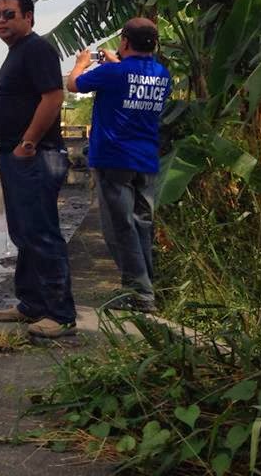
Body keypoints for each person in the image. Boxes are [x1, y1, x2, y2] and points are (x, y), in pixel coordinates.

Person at [67, 17, 171, 312]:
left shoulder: (112, 73)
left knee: (120, 228)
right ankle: (145, 289)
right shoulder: (162, 74)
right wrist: (116, 63)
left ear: (124, 41)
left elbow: (74, 84)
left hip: (114, 160)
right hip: (146, 160)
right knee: (142, 225)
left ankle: (140, 294)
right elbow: (133, 86)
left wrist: (82, 63)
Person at [0, 0, 76, 338]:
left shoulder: (37, 49)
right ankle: (32, 304)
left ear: (29, 17)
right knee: (23, 232)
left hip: (36, 157)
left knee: (41, 234)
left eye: (9, 14)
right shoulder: (18, 52)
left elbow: (53, 97)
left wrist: (28, 143)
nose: (1, 21)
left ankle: (60, 314)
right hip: (18, 158)